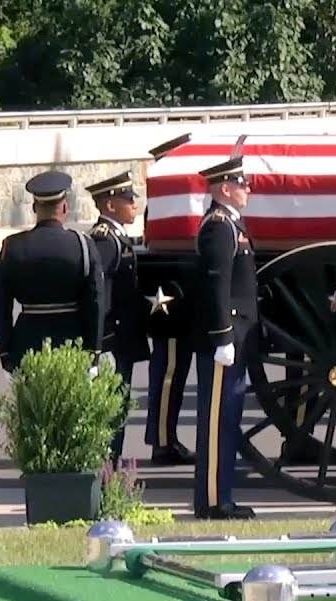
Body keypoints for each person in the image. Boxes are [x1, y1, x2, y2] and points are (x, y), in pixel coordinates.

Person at [192, 157, 259, 520]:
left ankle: (221, 497)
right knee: (218, 421)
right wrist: (222, 337)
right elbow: (217, 284)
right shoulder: (219, 227)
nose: (248, 189)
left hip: (234, 338)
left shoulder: (230, 224)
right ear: (224, 188)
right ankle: (214, 502)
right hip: (224, 339)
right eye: (242, 184)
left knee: (228, 419)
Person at [0, 170, 103, 373]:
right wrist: (93, 352)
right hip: (73, 346)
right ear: (65, 206)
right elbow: (95, 302)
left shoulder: (12, 247)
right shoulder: (82, 245)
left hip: (27, 345)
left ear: (34, 207)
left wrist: (6, 354)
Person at [85, 170, 151, 463]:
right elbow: (98, 296)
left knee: (119, 410)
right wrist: (96, 350)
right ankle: (105, 474)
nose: (134, 203)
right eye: (127, 199)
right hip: (111, 341)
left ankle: (109, 471)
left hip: (120, 339)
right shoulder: (104, 240)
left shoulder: (116, 238)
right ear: (110, 205)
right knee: (111, 413)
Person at [142, 134, 196, 466]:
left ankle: (165, 437)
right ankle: (162, 441)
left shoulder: (172, 202)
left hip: (178, 298)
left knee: (172, 371)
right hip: (171, 303)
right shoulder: (166, 204)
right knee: (169, 371)